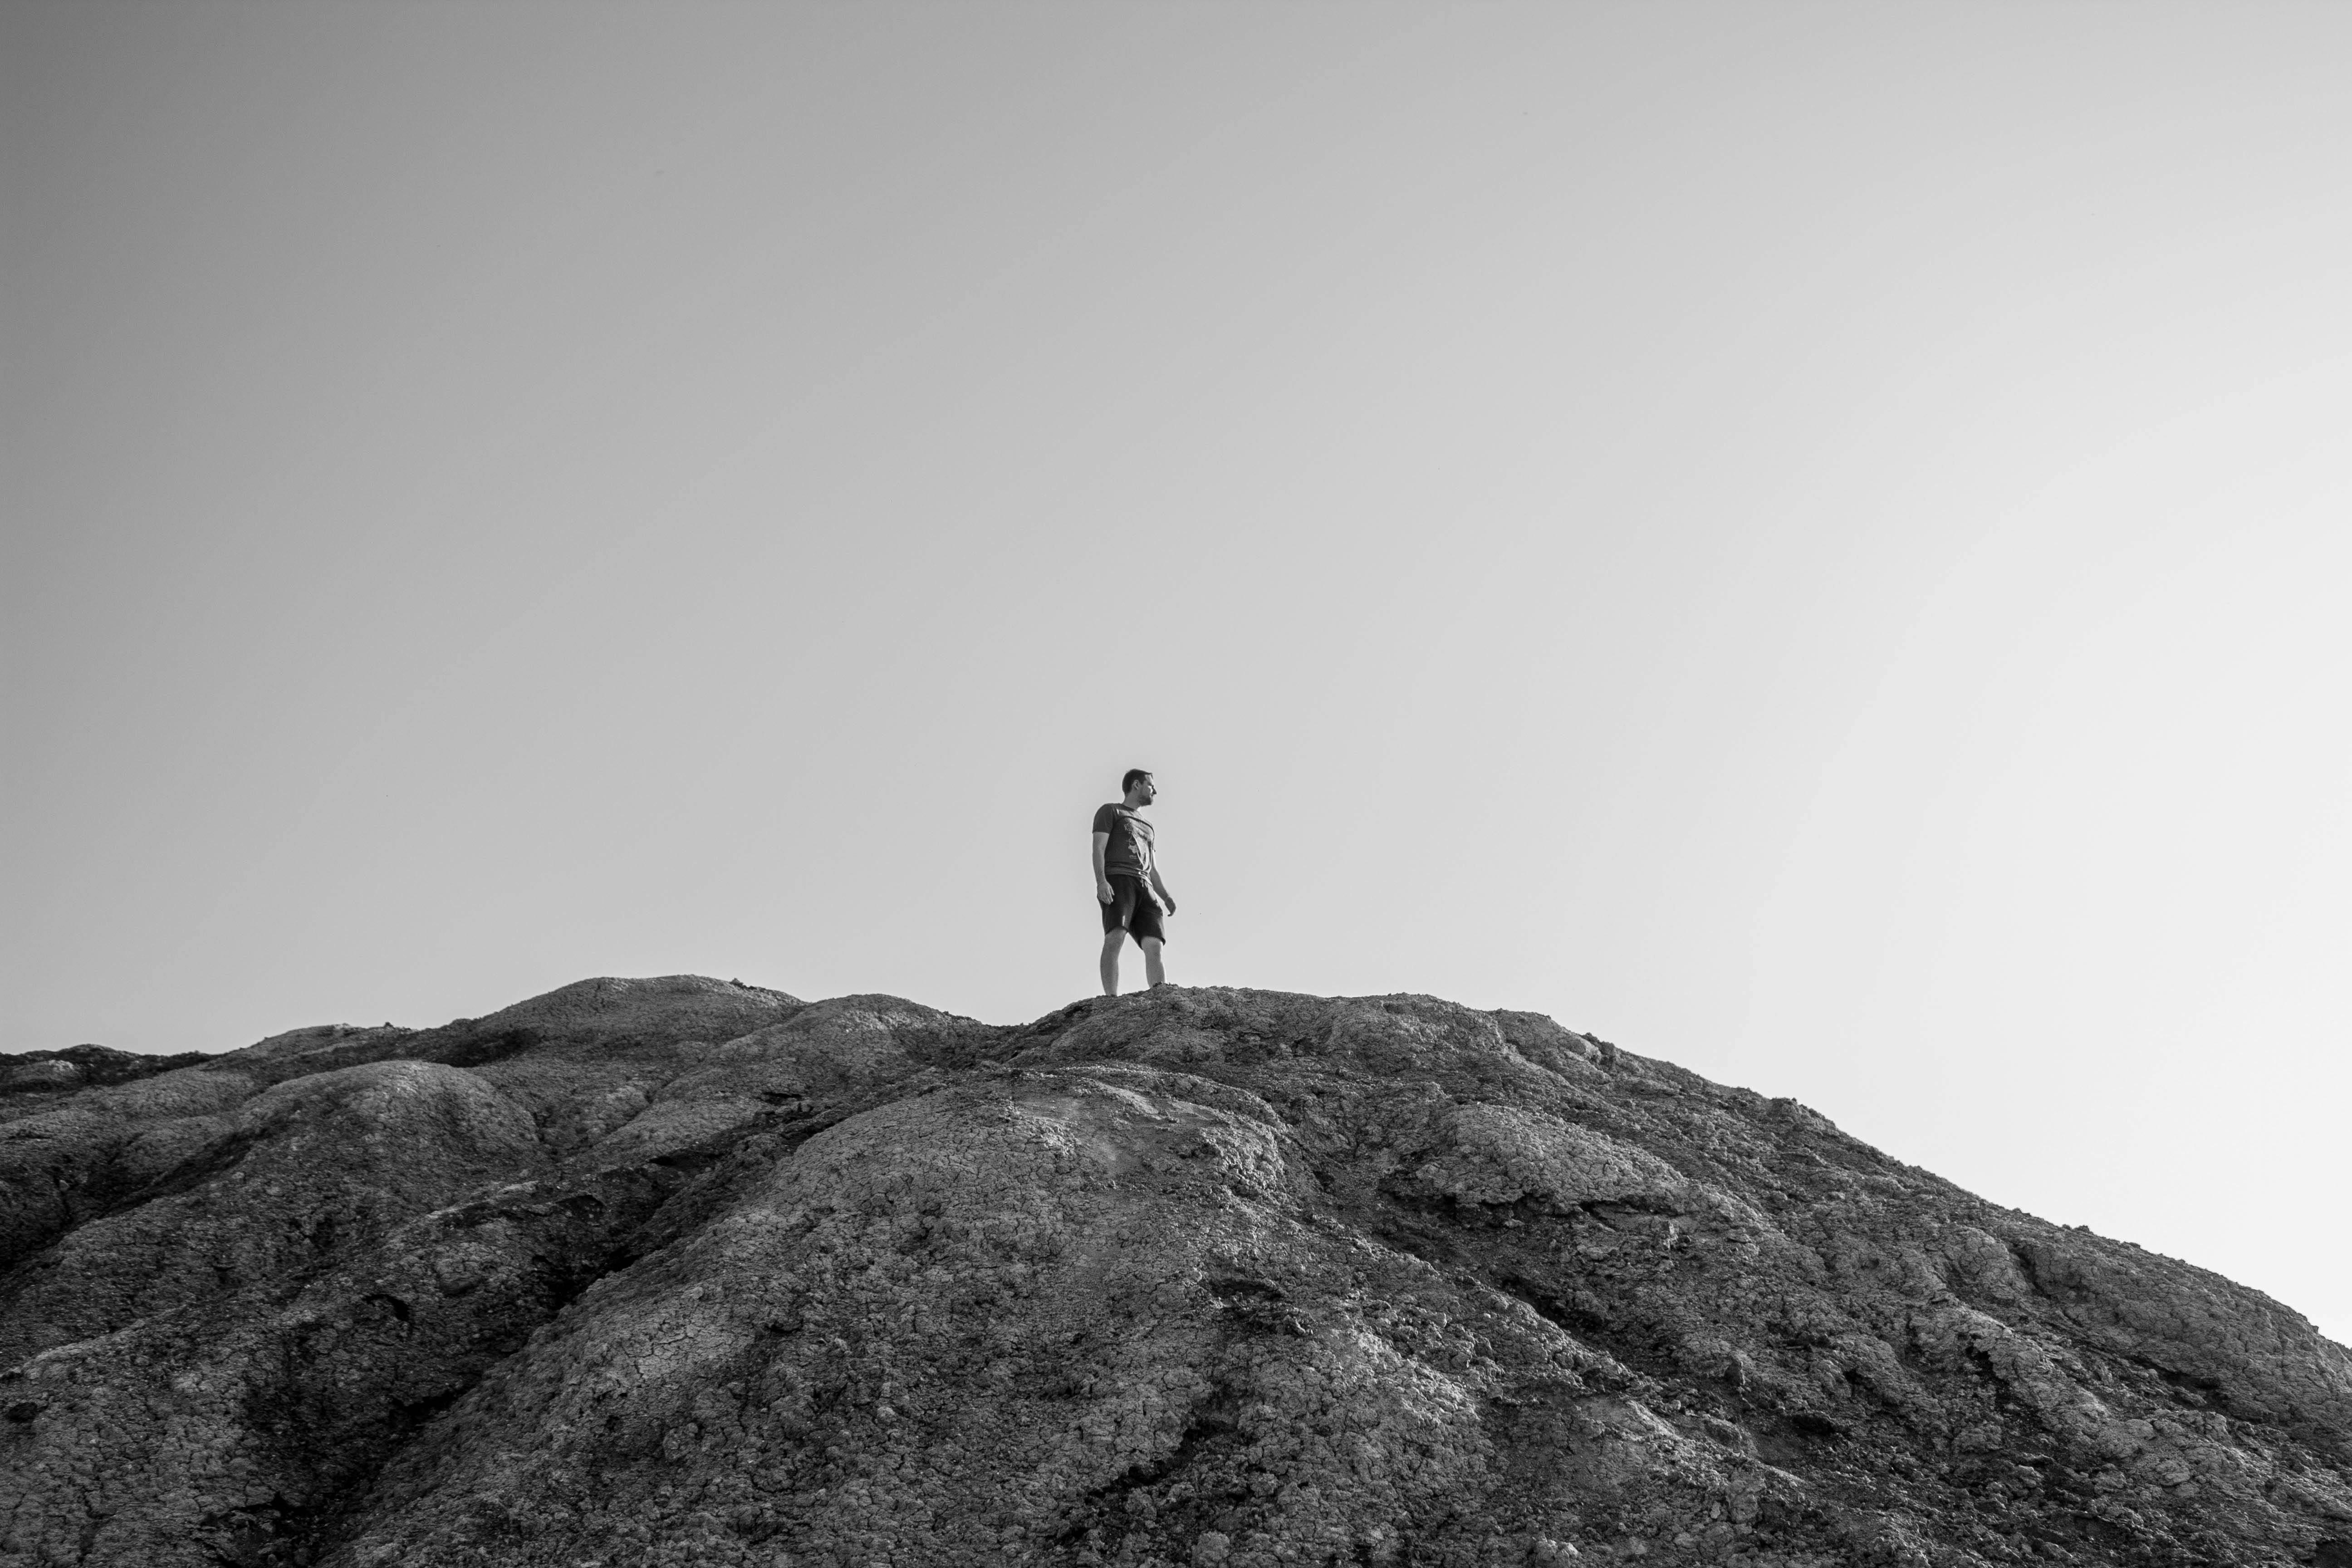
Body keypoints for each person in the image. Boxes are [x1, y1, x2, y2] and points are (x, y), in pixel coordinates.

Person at [1092, 768, 1176, 995]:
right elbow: (1098, 848)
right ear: (1137, 785)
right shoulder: (1111, 812)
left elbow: (1153, 868)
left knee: (1154, 944)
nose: (1155, 791)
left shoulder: (1148, 827)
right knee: (1115, 935)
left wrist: (1166, 896)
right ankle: (1111, 998)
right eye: (1151, 785)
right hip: (1119, 879)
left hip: (1145, 886)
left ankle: (1161, 994)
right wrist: (1102, 882)